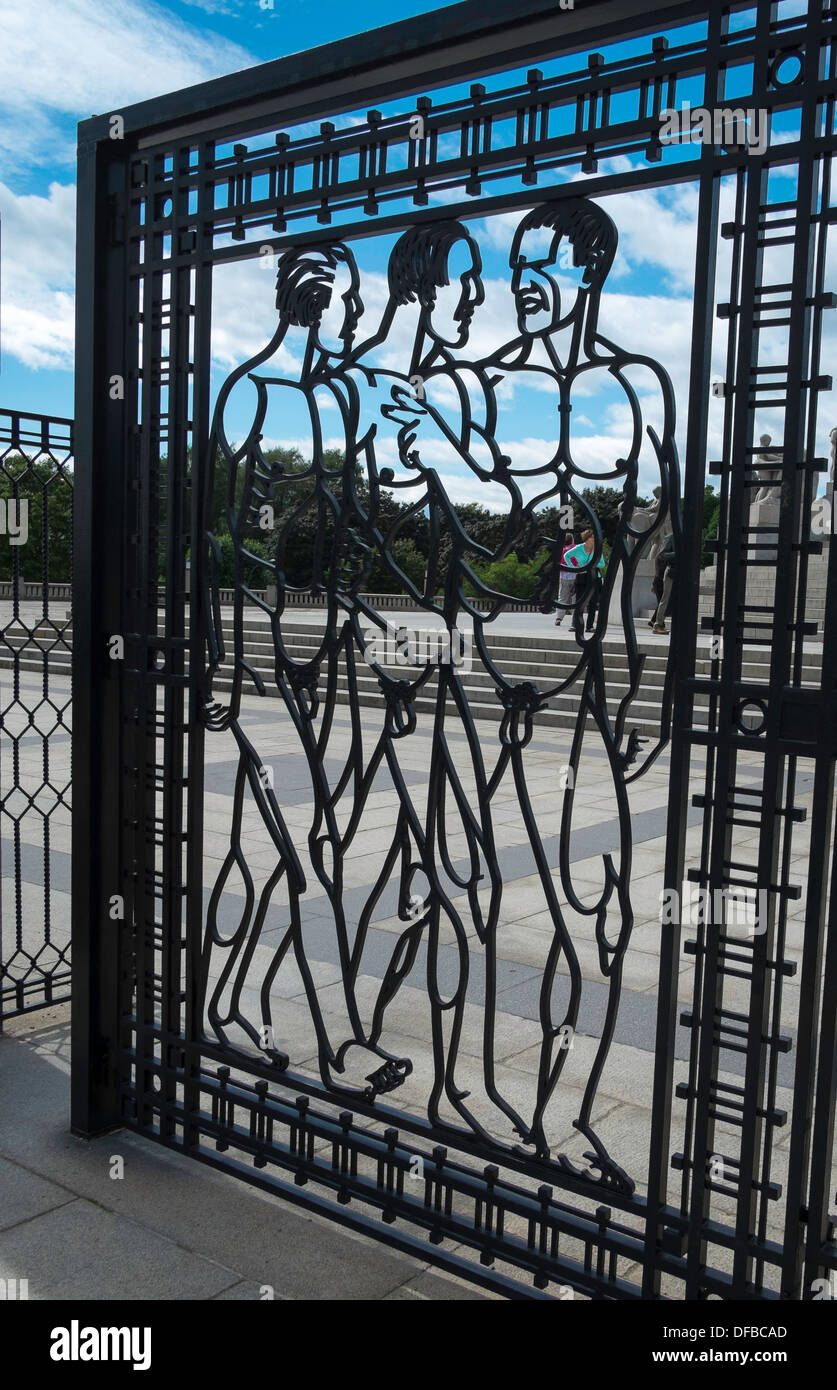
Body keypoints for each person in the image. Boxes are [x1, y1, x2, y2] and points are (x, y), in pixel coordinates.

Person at [563, 528, 606, 633]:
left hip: (595, 577)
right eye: (592, 537)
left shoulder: (597, 549)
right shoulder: (578, 548)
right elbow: (566, 556)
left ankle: (589, 626)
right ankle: (575, 625)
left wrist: (592, 565)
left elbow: (602, 564)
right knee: (579, 602)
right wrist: (574, 568)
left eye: (594, 538)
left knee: (593, 602)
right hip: (582, 577)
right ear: (586, 538)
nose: (594, 539)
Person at [650, 530, 675, 634]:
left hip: (684, 574)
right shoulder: (671, 537)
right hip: (672, 572)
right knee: (665, 599)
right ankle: (658, 624)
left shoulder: (689, 537)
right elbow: (662, 555)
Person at [554, 530, 577, 624]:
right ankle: (575, 617)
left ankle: (559, 618)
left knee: (562, 597)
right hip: (575, 575)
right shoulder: (576, 549)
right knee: (575, 598)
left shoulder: (561, 551)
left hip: (563, 575)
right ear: (572, 540)